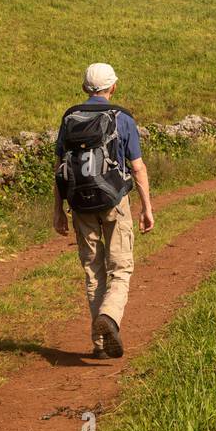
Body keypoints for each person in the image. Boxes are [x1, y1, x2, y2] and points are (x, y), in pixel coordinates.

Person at [53, 63, 154, 359]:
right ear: (113, 87)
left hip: (80, 205)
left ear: (85, 88)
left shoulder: (70, 117)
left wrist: (58, 210)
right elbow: (137, 166)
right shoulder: (122, 118)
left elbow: (59, 168)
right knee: (121, 269)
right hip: (114, 202)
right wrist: (147, 207)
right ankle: (109, 317)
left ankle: (99, 345)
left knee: (93, 272)